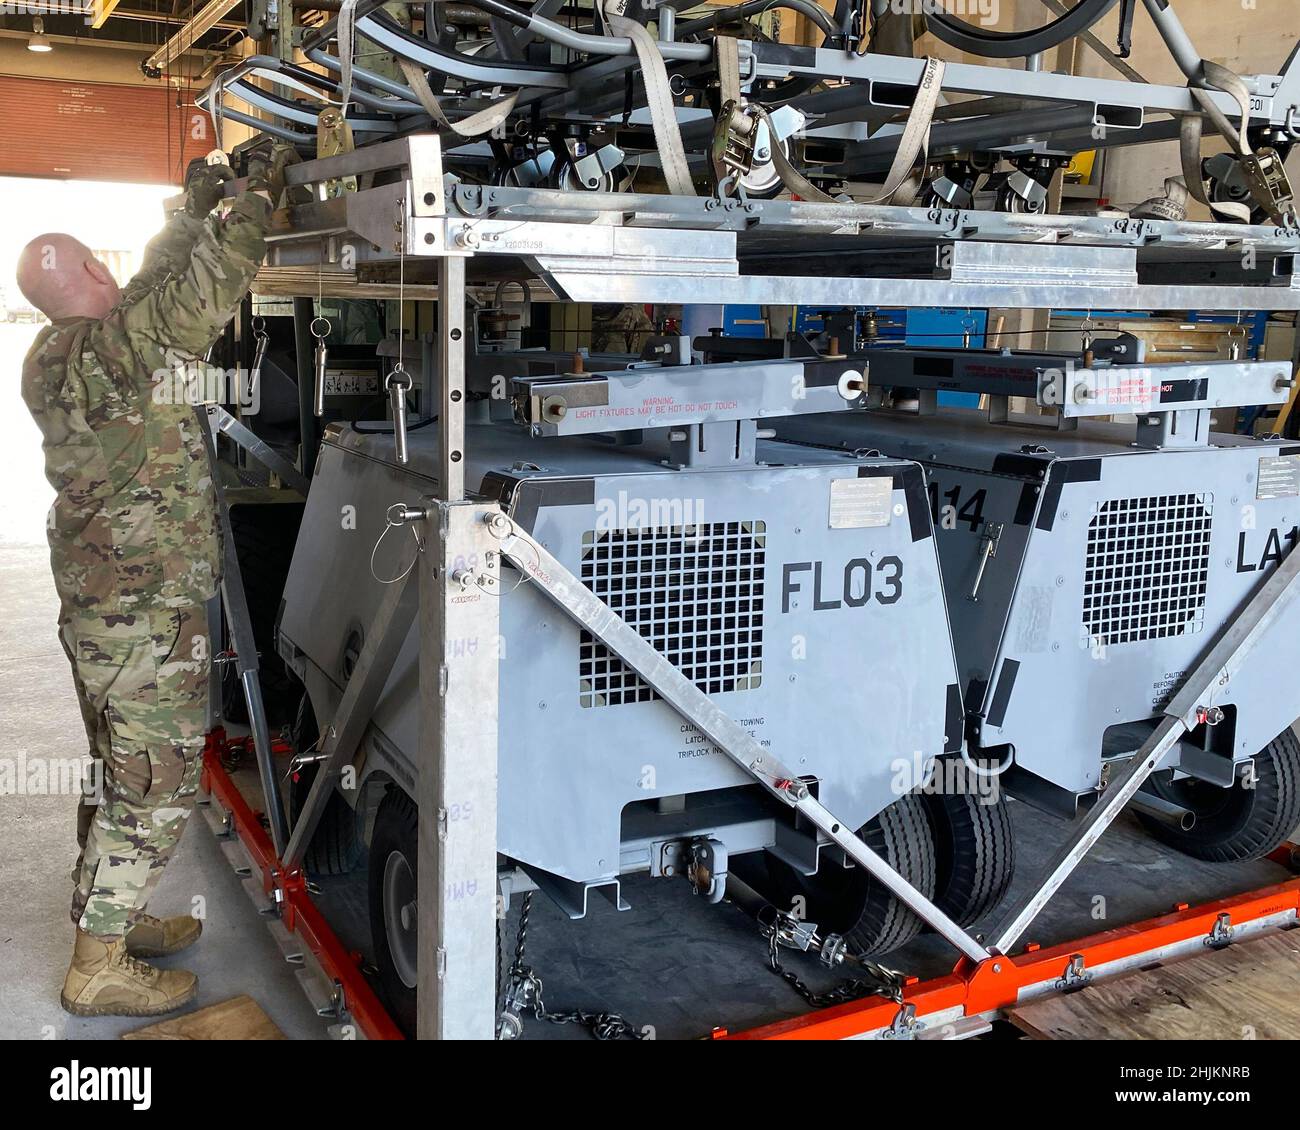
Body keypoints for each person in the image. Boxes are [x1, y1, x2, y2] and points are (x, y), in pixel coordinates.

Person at [16, 145, 294, 1017]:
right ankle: (97, 963)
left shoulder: (64, 355)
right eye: (105, 265)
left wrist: (190, 210)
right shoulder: (115, 353)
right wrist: (250, 202)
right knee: (157, 781)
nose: (117, 274)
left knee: (117, 764)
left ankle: (111, 911)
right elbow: (195, 296)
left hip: (106, 611)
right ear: (92, 272)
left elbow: (151, 294)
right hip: (140, 615)